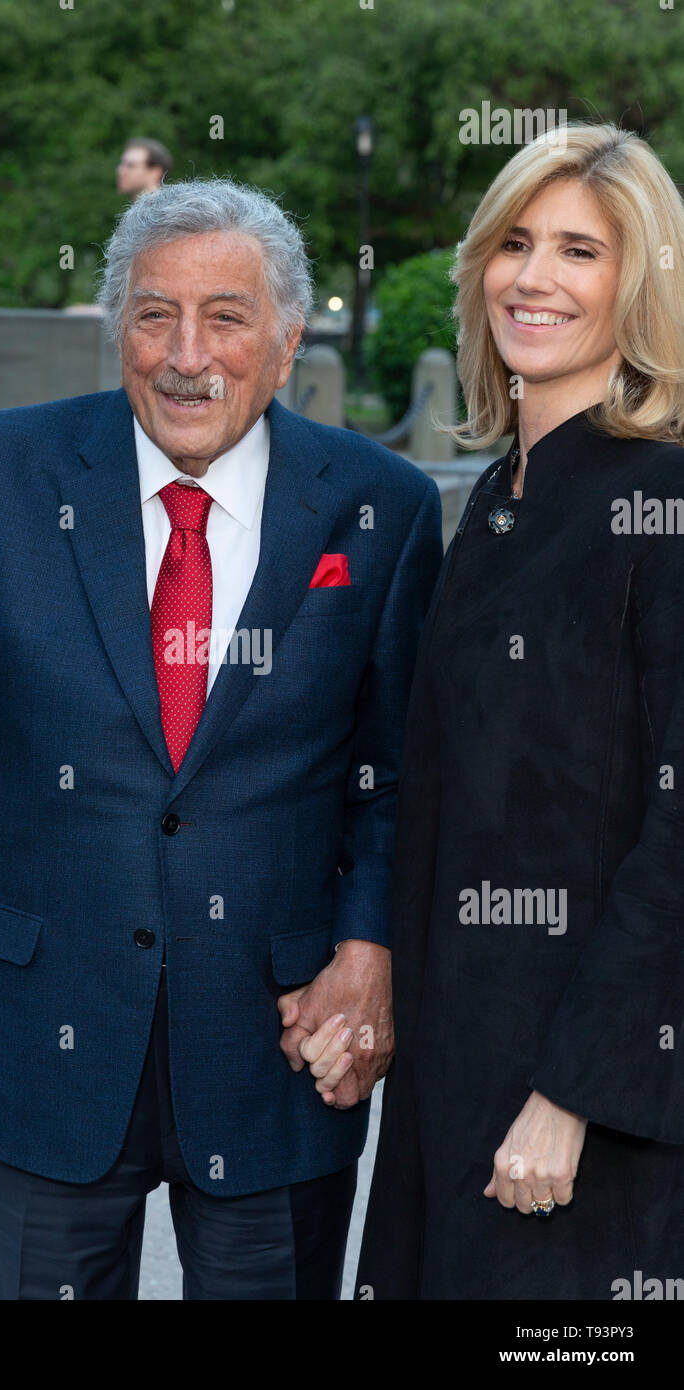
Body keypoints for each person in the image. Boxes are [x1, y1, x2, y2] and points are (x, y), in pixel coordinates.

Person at [0, 178, 443, 1301]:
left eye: (225, 317)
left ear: (285, 336)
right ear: (115, 325)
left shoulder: (382, 504)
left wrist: (367, 957)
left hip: (278, 1043)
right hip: (40, 1033)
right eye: (152, 314)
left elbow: (397, 769)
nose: (185, 354)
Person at [303, 123, 684, 1299]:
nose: (533, 277)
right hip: (456, 1073)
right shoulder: (494, 503)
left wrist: (573, 1093)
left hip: (582, 1114)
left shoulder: (660, 498)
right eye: (513, 242)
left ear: (639, 286)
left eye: (579, 250)